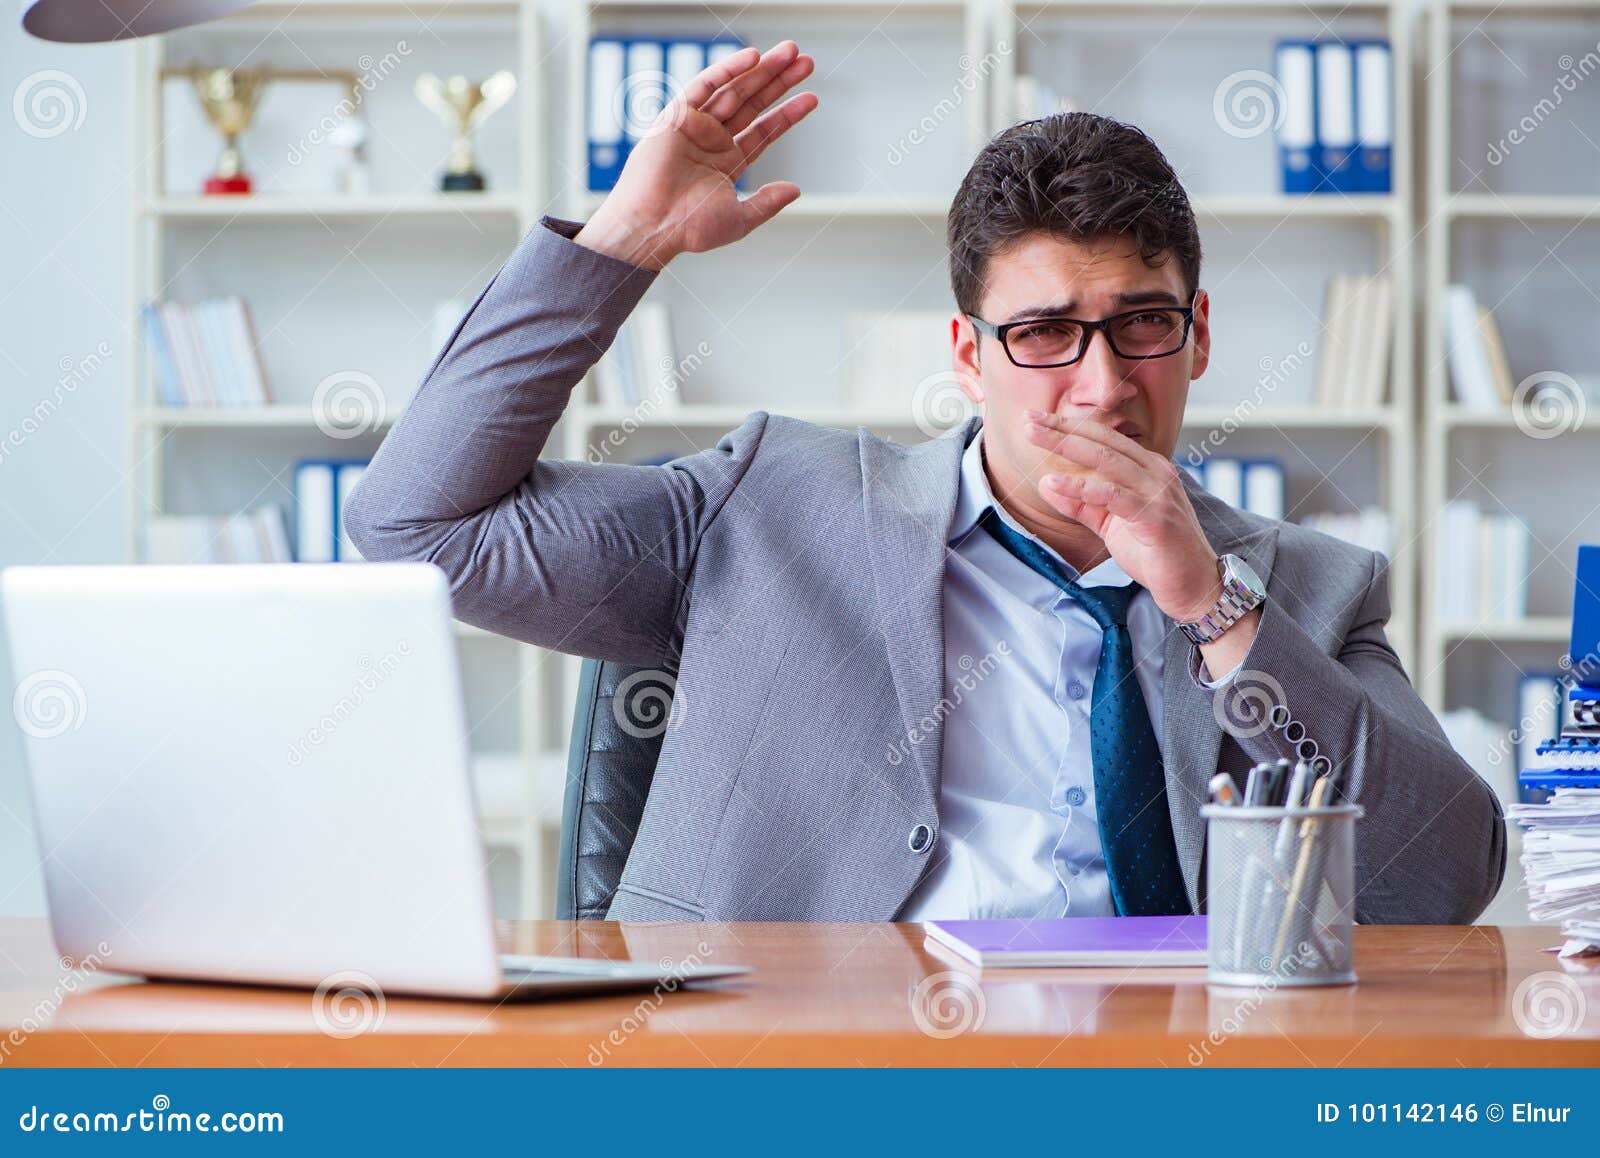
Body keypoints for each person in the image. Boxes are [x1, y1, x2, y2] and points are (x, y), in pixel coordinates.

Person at [345, 41, 1505, 923]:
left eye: (1140, 324)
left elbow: (1442, 878)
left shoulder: (1308, 586)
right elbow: (415, 528)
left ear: (1197, 334)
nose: (1101, 386)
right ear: (966, 357)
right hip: (799, 1076)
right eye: (1043, 333)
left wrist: (1213, 608)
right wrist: (622, 242)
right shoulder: (768, 504)